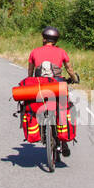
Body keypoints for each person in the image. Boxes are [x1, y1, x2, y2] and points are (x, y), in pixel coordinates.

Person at [23, 26, 78, 157]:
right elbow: (69, 69)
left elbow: (30, 72)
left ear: (44, 38)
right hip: (57, 85)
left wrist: (30, 82)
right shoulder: (61, 52)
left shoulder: (34, 52)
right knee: (65, 107)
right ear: (56, 40)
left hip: (39, 87)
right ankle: (64, 142)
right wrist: (74, 79)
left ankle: (39, 129)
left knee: (33, 106)